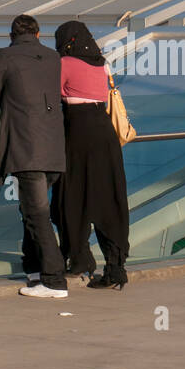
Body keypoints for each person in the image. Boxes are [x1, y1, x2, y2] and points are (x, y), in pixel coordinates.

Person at [0, 13, 68, 299]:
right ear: (38, 35)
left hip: (26, 146)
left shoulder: (3, 56)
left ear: (11, 36)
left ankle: (54, 281)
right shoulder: (53, 58)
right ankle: (35, 270)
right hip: (53, 145)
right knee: (30, 209)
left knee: (37, 213)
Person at [51, 20, 130, 290]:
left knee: (72, 195)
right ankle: (115, 268)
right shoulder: (101, 63)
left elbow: (51, 95)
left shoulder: (65, 63)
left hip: (78, 132)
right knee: (109, 198)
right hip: (104, 133)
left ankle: (80, 258)